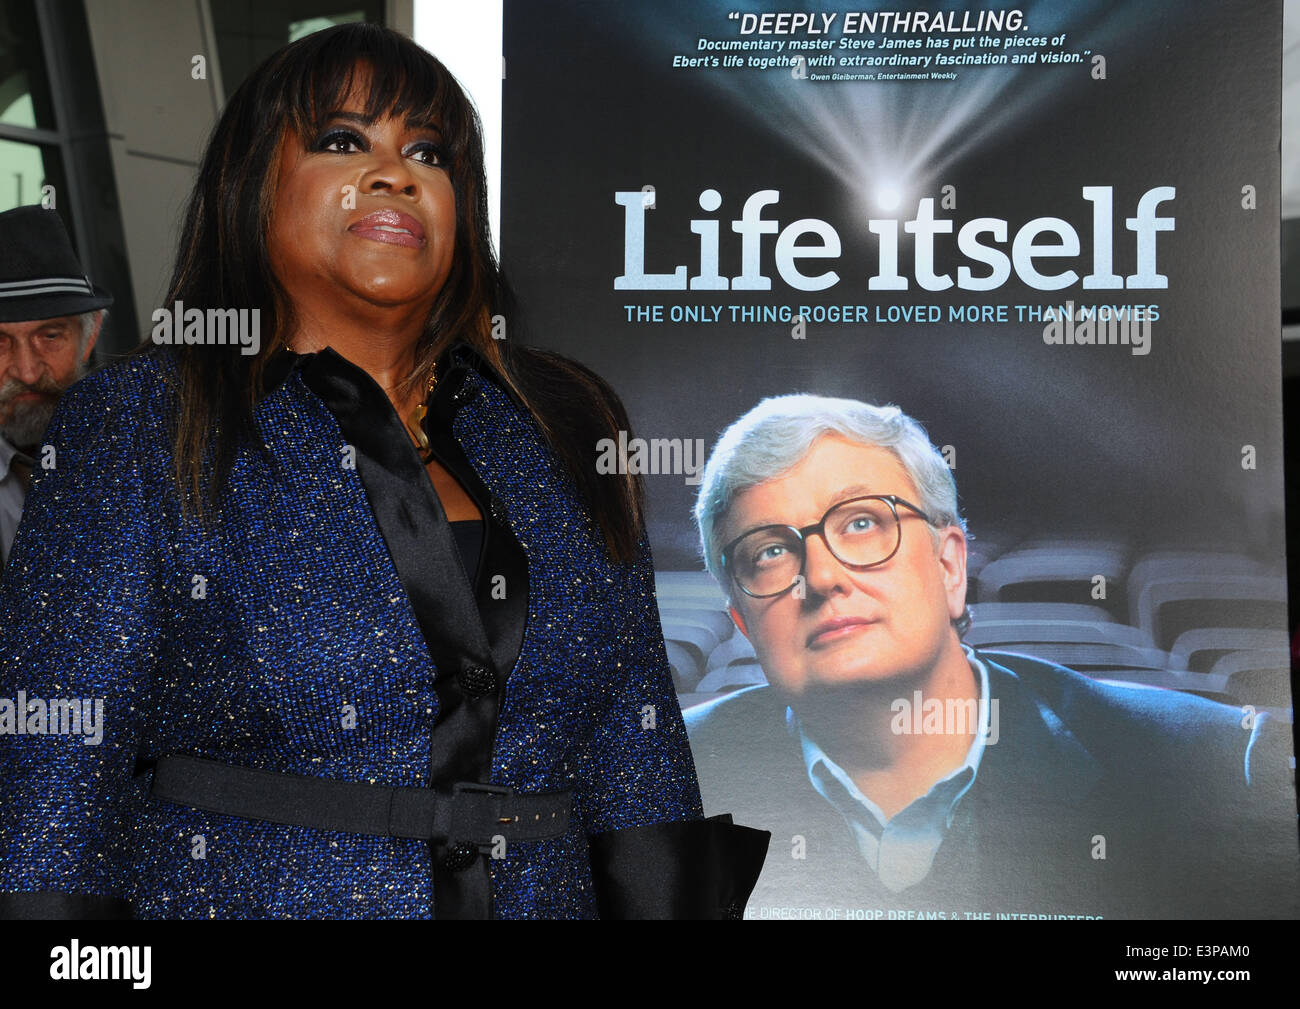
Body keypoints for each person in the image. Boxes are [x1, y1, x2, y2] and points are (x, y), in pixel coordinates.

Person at [0, 23, 768, 920]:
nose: (396, 172)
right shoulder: (140, 424)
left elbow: (635, 759)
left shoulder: (567, 422)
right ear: (254, 186)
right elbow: (55, 785)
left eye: (429, 152)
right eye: (341, 140)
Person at [685, 393, 1299, 918]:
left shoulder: (1216, 769)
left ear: (951, 567)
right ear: (744, 623)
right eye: (769, 552)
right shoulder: (653, 789)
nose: (821, 576)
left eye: (862, 523)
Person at [0, 205, 110, 570]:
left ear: (90, 334)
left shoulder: (148, 455)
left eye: (49, 336)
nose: (28, 372)